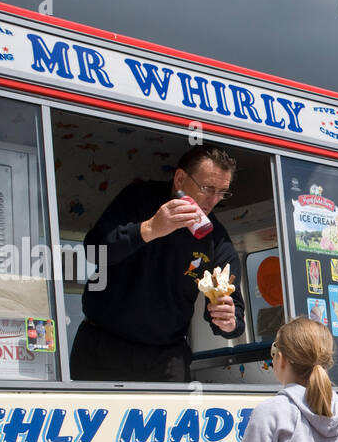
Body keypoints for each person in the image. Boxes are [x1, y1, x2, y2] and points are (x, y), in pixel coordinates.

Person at [71, 146, 245, 382]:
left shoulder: (216, 239)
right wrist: (150, 229)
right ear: (180, 179)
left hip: (166, 359)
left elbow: (233, 314)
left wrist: (228, 320)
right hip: (103, 347)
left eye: (222, 192)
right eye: (207, 188)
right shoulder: (140, 198)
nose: (213, 200)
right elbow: (94, 250)